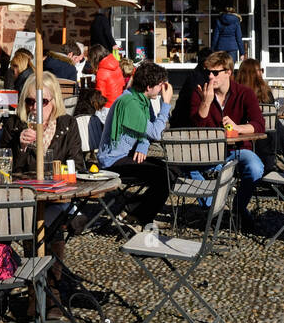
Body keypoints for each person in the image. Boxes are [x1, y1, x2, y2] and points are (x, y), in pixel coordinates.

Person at [1, 71, 83, 316]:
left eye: (42, 102)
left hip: (58, 197)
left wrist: (60, 174)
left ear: (54, 102)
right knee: (36, 224)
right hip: (26, 199)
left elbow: (76, 164)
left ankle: (50, 297)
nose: (35, 107)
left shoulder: (67, 125)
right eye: (29, 101)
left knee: (53, 224)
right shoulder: (14, 126)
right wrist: (22, 147)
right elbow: (5, 170)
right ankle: (37, 297)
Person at [189, 50, 265, 228]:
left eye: (215, 72)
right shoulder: (200, 92)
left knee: (255, 167)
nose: (210, 76)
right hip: (207, 153)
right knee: (186, 167)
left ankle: (238, 207)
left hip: (237, 150)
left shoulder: (244, 93)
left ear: (228, 73)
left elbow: (259, 124)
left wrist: (238, 128)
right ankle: (213, 209)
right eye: (208, 72)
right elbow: (196, 128)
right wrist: (205, 103)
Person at [97, 60, 174, 224]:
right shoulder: (129, 103)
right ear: (149, 87)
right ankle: (138, 215)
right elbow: (156, 132)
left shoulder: (141, 100)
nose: (162, 89)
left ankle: (133, 209)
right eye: (160, 85)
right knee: (164, 176)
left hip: (127, 154)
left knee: (172, 170)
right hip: (113, 160)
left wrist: (143, 144)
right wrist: (166, 103)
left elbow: (148, 131)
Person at [235, 57, 284, 173]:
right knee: (275, 125)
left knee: (275, 125)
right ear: (253, 73)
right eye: (260, 70)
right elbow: (272, 110)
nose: (262, 72)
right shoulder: (264, 92)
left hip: (246, 134)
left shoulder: (237, 91)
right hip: (267, 136)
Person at [170, 46, 213, 127]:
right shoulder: (200, 79)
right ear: (205, 63)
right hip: (187, 123)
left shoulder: (194, 74)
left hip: (180, 120)